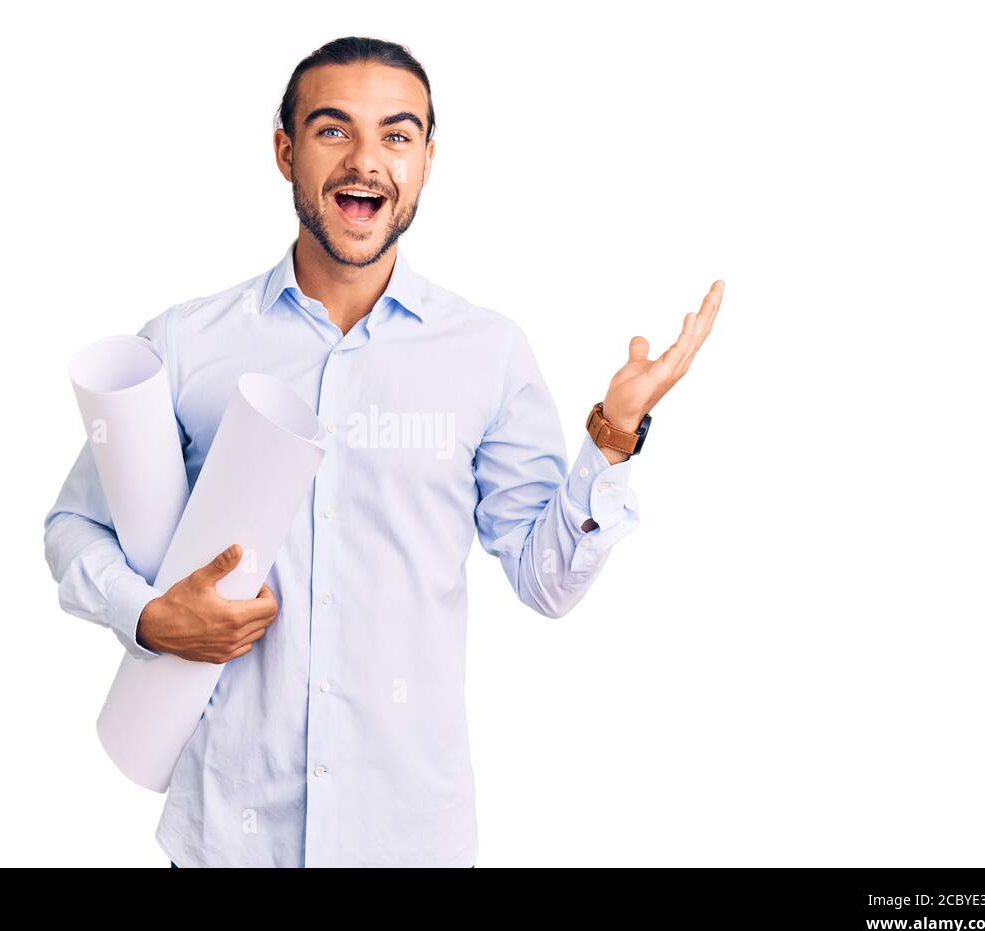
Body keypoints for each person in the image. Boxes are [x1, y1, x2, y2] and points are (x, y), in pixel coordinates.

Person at [43, 36, 723, 868]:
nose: (367, 161)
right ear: (285, 150)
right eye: (333, 131)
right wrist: (149, 616)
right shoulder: (187, 344)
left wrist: (613, 435)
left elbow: (545, 581)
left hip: (408, 840)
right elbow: (74, 524)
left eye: (397, 136)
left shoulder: (487, 353)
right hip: (228, 835)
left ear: (428, 160)